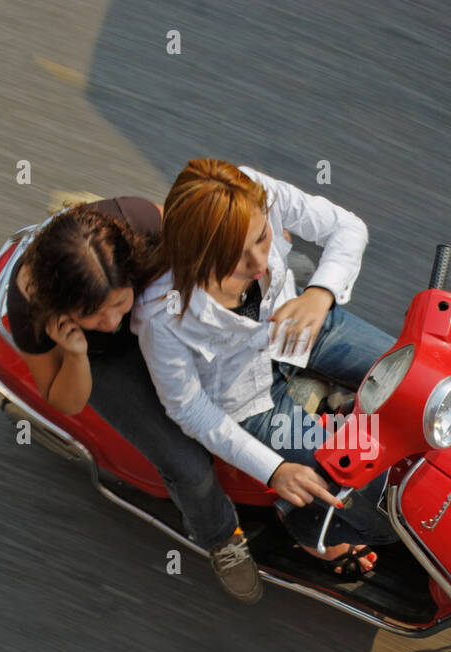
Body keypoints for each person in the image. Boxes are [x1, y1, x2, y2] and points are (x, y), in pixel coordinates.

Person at [133, 160, 399, 578]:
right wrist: (273, 471)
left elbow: (348, 228)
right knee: (377, 493)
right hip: (253, 401)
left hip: (306, 328)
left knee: (425, 380)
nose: (258, 262)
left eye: (262, 238)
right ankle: (303, 525)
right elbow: (189, 409)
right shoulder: (161, 314)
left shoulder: (254, 189)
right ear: (197, 256)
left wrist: (320, 293)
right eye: (234, 258)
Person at [7, 198, 263, 603]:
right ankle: (219, 535)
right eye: (92, 315)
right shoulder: (28, 310)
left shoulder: (141, 221)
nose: (110, 323)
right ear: (60, 308)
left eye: (116, 303)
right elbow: (64, 400)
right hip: (100, 360)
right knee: (187, 466)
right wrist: (75, 352)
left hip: (159, 312)